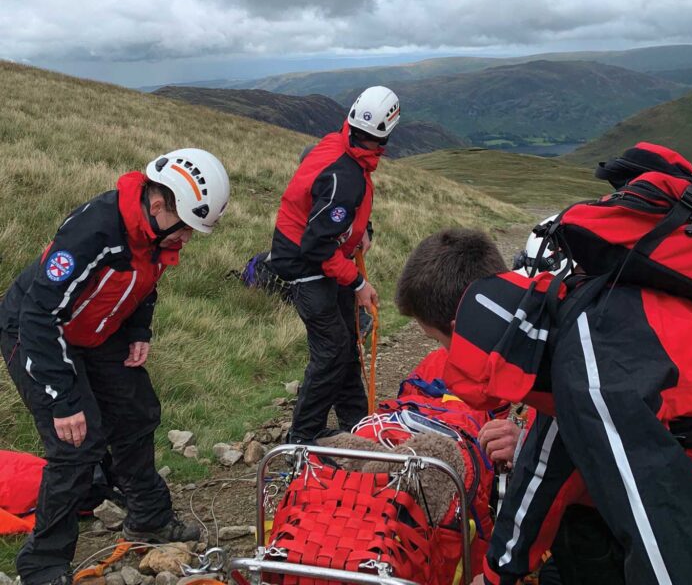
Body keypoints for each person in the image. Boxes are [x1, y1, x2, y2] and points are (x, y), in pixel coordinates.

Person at [395, 227, 692, 585]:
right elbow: (544, 466)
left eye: (440, 342)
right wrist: (497, 573)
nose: (445, 356)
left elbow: (667, 536)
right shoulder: (567, 317)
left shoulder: (589, 378)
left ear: (463, 327)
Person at [0, 148, 231, 585]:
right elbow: (38, 315)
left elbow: (146, 283)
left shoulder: (152, 233)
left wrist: (139, 331)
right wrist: (64, 399)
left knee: (136, 412)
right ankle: (42, 564)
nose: (187, 239)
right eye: (186, 229)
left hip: (96, 331)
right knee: (76, 443)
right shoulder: (95, 232)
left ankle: (147, 517)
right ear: (160, 205)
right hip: (36, 332)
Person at [268, 85, 400, 444]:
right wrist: (358, 283)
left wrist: (362, 230)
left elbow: (329, 207)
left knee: (347, 345)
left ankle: (356, 426)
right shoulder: (348, 176)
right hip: (307, 264)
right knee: (333, 352)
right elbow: (316, 244)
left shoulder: (338, 144)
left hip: (326, 257)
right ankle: (303, 437)